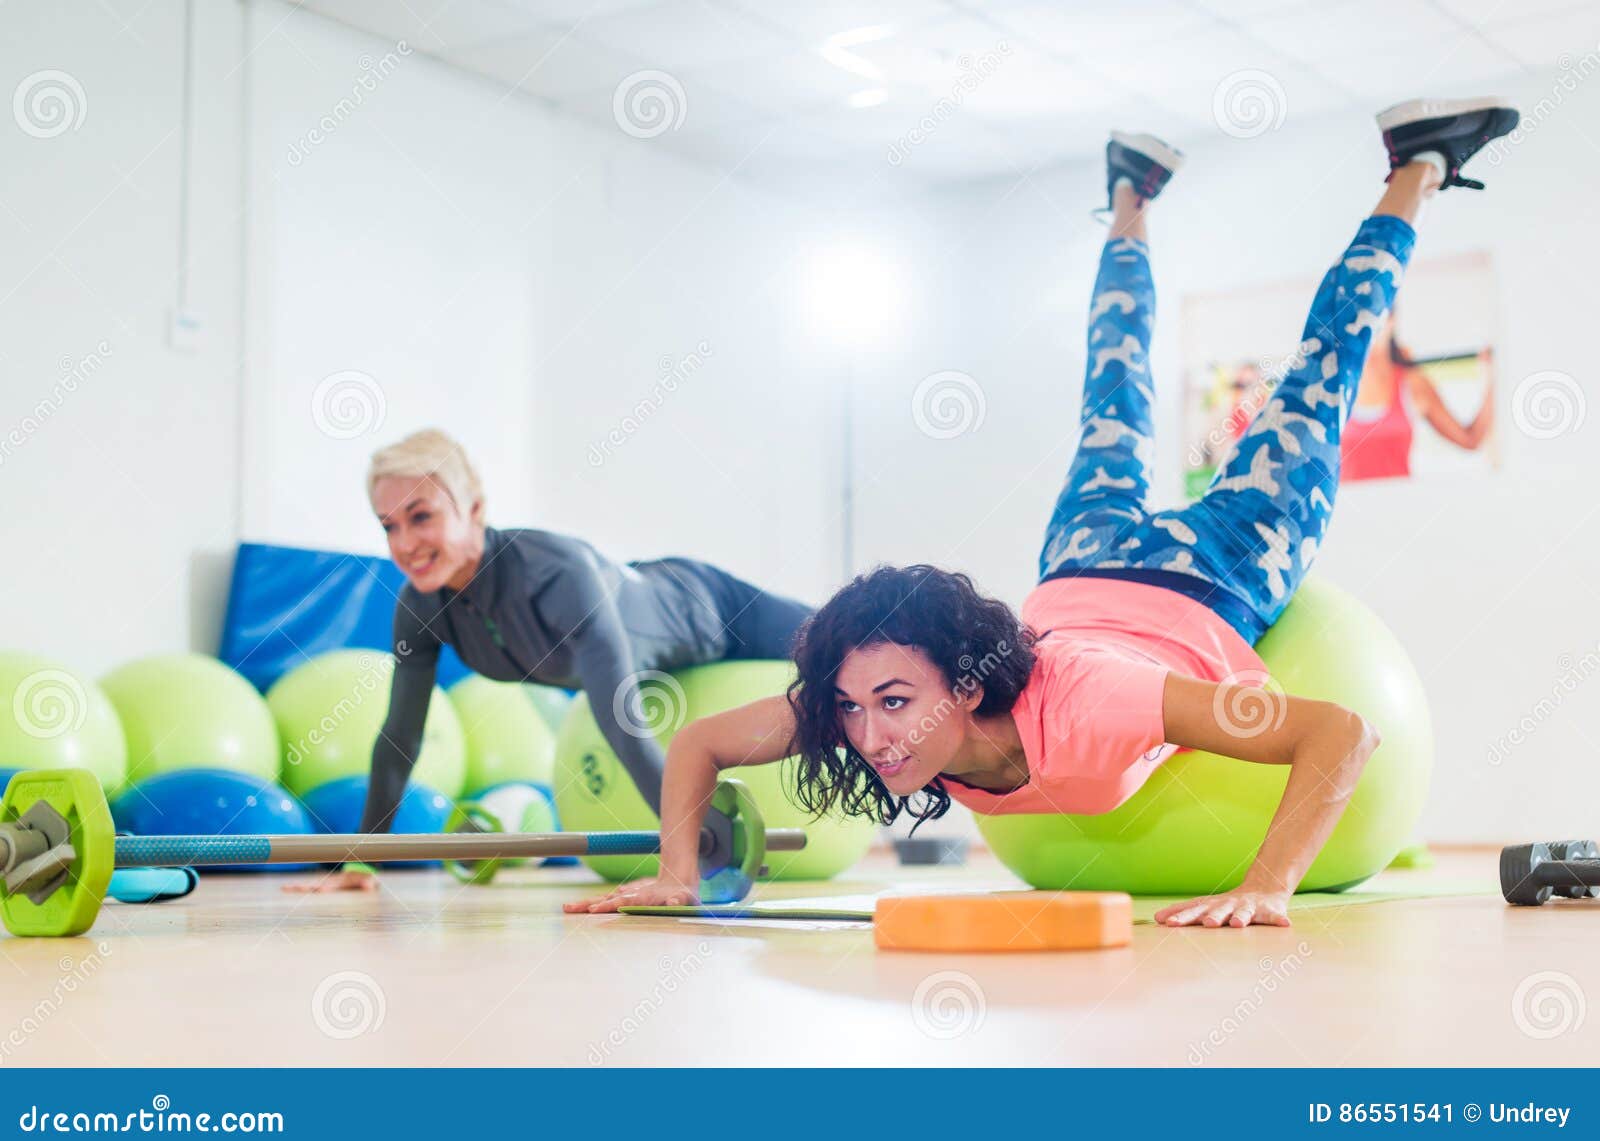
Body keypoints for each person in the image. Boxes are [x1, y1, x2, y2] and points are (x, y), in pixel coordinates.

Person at [565, 96, 1519, 929]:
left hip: (1219, 569)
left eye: (894, 701)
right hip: (1084, 558)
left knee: (1318, 377)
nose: (870, 734)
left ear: (966, 685)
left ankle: (1418, 167)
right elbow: (696, 742)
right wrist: (678, 876)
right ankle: (1133, 193)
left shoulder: (1097, 701)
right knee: (1113, 389)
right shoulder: (874, 717)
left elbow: (1340, 730)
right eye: (853, 707)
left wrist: (1268, 886)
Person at [288, 429, 812, 894]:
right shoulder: (419, 607)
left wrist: (694, 842)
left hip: (708, 606)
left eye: (421, 516)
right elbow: (401, 735)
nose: (404, 544)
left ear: (474, 509)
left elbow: (622, 718)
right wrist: (362, 859)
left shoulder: (555, 573)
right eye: (389, 526)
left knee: (854, 641)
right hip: (655, 629)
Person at [1342, 310, 1496, 481]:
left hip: (1403, 505)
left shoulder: (1412, 382)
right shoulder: (1330, 386)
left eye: (1373, 312)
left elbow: (1470, 439)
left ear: (1391, 320)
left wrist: (1493, 376)